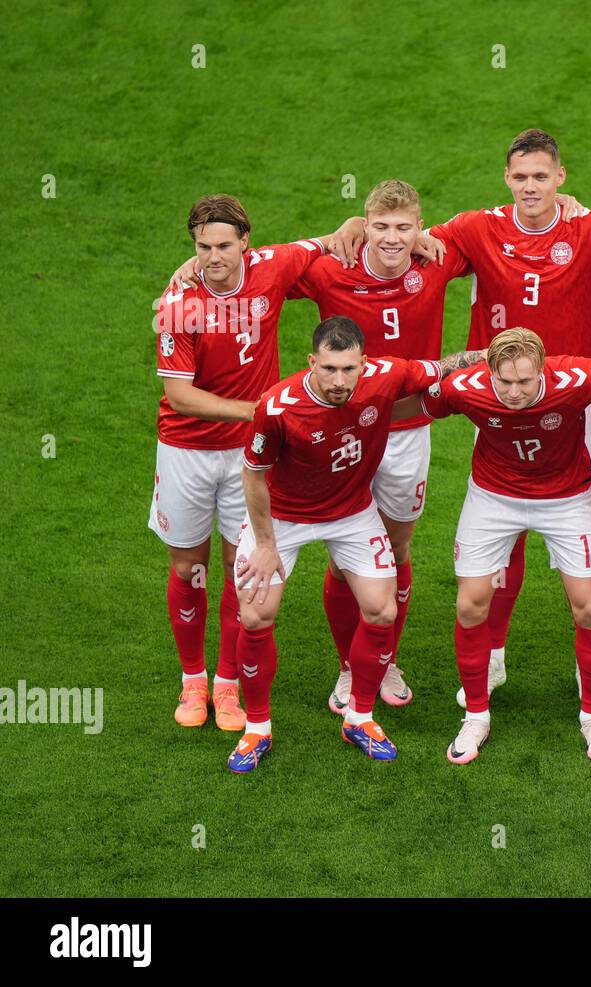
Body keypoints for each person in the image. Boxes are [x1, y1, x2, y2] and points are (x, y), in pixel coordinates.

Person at [331, 130, 591, 703]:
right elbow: (404, 239)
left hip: (574, 401)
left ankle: (588, 664)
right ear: (506, 178)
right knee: (504, 524)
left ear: (560, 178)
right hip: (498, 397)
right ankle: (493, 655)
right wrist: (352, 226)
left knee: (578, 523)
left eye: (541, 177)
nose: (530, 187)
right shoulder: (475, 228)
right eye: (521, 177)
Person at [228, 316, 478, 773]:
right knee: (255, 614)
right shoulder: (278, 407)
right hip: (284, 518)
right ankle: (256, 728)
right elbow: (254, 474)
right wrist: (265, 543)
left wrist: (491, 354)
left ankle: (359, 717)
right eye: (329, 369)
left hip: (351, 512)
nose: (339, 381)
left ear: (364, 362)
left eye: (348, 369)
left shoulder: (386, 375)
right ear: (311, 362)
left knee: (382, 611)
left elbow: (443, 368)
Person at [416, 328, 591, 765]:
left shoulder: (574, 378)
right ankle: (476, 715)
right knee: (470, 606)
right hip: (493, 498)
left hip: (565, 500)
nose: (515, 391)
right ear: (490, 372)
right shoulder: (468, 388)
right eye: (505, 382)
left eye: (525, 381)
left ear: (543, 370)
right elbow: (419, 400)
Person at [152, 194, 329, 732]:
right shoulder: (177, 302)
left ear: (245, 243)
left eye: (224, 245)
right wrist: (256, 409)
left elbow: (332, 241)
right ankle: (192, 677)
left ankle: (227, 684)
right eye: (203, 247)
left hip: (248, 457)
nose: (213, 257)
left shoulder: (272, 266)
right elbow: (180, 396)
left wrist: (350, 222)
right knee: (188, 565)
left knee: (240, 566)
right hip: (186, 448)